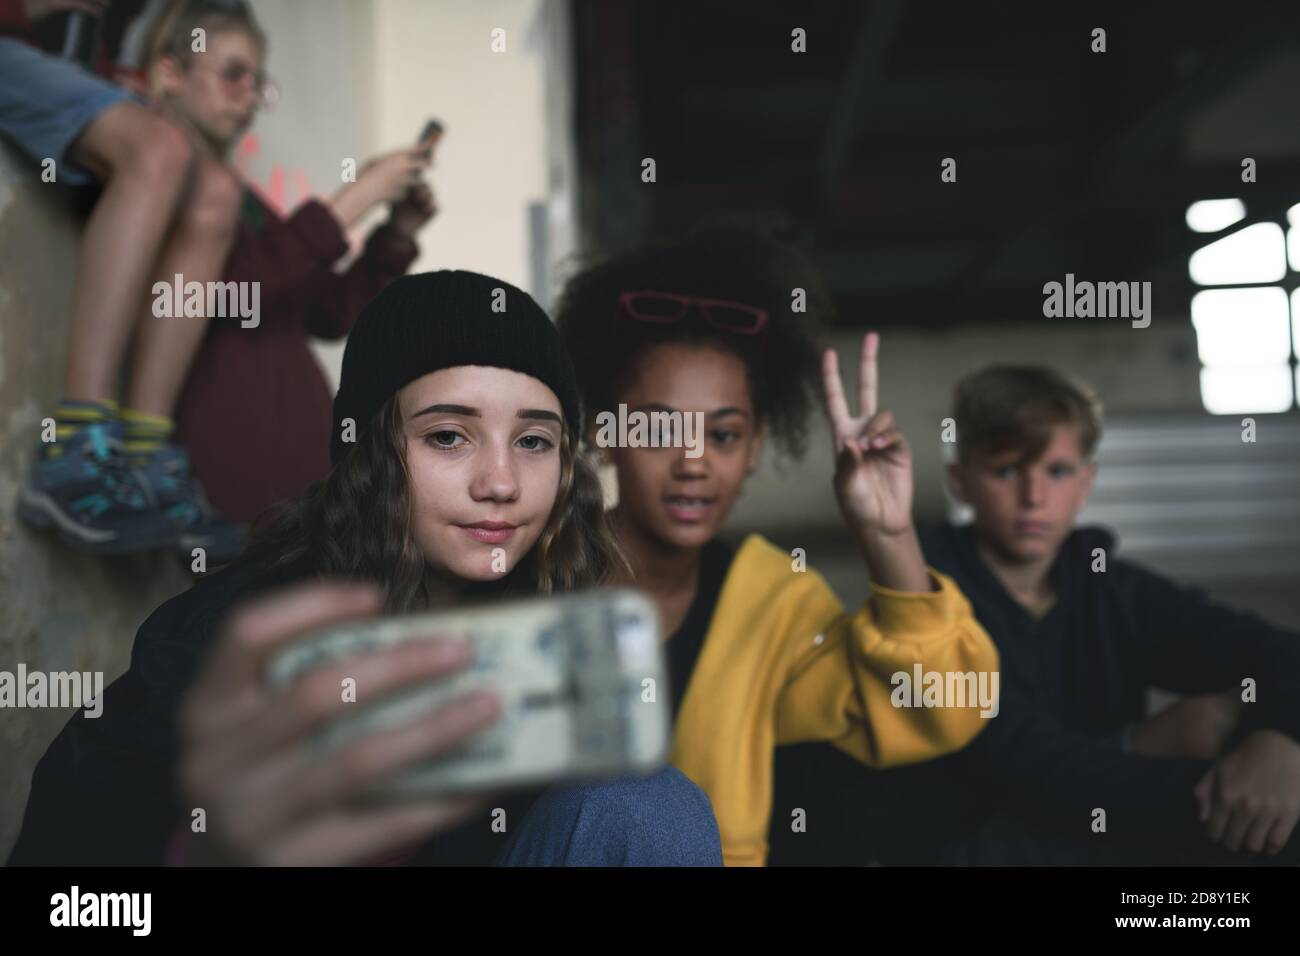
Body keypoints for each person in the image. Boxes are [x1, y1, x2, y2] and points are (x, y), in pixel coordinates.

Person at [9, 271, 723, 866]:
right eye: (449, 436)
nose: (500, 481)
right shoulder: (229, 642)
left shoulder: (552, 632)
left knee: (648, 807)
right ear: (370, 454)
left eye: (534, 440)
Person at [554, 224, 1001, 866]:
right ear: (604, 432)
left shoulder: (773, 601)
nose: (694, 462)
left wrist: (888, 534)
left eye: (725, 435)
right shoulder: (540, 569)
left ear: (757, 445)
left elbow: (946, 709)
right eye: (659, 429)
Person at [783, 365, 1300, 866]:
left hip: (1104, 827)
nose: (1034, 497)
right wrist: (1164, 758)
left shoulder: (1110, 586)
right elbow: (1017, 766)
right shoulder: (920, 601)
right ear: (960, 482)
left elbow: (1278, 655)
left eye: (1057, 471)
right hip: (971, 848)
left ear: (1087, 482)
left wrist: (1279, 739)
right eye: (1006, 471)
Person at [140, 0, 437, 531]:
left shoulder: (242, 199)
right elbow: (236, 292)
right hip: (227, 489)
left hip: (304, 493)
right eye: (233, 76)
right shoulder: (157, 179)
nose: (250, 96)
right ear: (170, 72)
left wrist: (394, 236)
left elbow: (328, 311)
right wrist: (359, 194)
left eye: (258, 82)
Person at [2, 0, 244, 558]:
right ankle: (73, 445)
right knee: (160, 147)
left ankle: (143, 449)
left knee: (217, 192)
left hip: (70, 70)